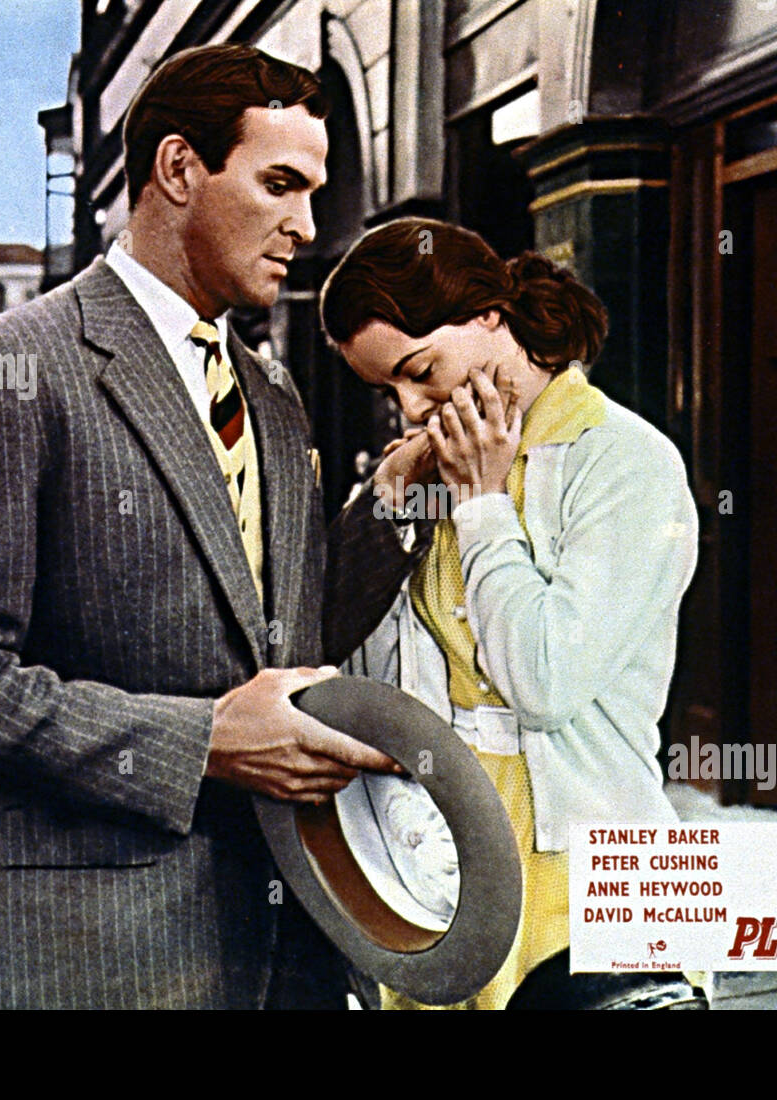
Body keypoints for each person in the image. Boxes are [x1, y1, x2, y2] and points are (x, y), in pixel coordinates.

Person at [0, 44, 430, 1010]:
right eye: (280, 184)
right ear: (178, 170)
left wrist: (402, 495)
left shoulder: (273, 392)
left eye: (314, 191)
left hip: (293, 951)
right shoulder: (0, 372)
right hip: (99, 964)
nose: (306, 226)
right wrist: (201, 740)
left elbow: (288, 635)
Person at [320, 218, 701, 1009]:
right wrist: (388, 509)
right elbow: (330, 641)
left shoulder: (625, 461)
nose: (413, 408)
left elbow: (546, 679)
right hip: (433, 868)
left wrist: (486, 506)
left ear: (491, 315)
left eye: (420, 371)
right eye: (388, 391)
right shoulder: (425, 469)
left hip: (584, 870)